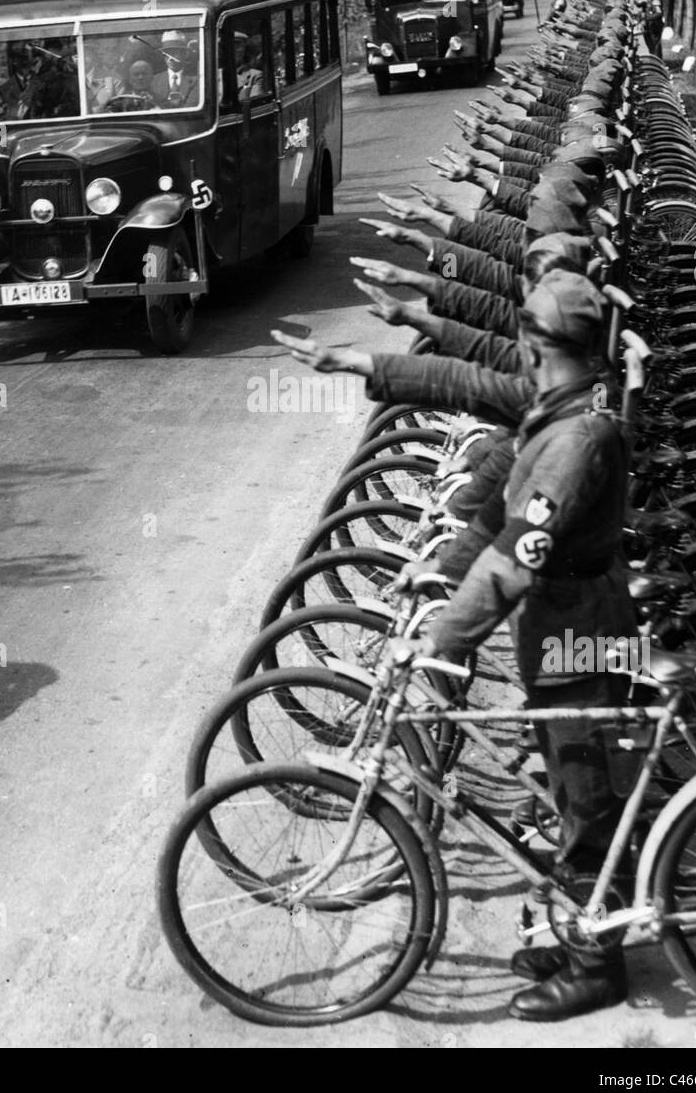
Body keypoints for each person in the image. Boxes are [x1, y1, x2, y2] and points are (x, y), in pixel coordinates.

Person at [271, 268, 637, 1022]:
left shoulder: (577, 436)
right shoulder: (565, 397)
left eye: (525, 338)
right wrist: (364, 363)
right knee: (566, 774)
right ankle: (581, 922)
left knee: (581, 786)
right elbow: (462, 378)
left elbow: (512, 557)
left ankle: (598, 963)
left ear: (541, 344)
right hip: (565, 616)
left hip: (580, 630)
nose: (518, 352)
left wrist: (442, 638)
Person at [152, 30, 199, 106]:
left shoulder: (196, 80)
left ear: (184, 54)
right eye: (167, 54)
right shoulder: (154, 81)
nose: (170, 58)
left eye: (175, 53)